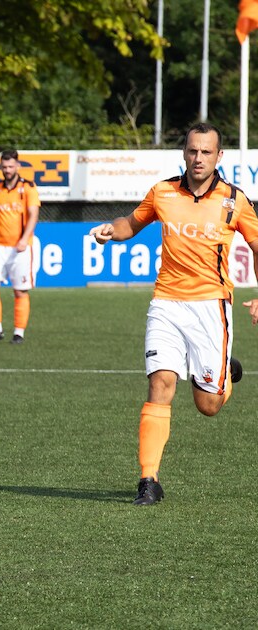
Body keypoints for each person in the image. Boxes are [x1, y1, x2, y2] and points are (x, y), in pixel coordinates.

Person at [90, 122, 258, 506]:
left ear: (219, 157)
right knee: (161, 383)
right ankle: (148, 481)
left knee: (208, 405)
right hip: (165, 303)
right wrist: (109, 231)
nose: (198, 158)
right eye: (192, 150)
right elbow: (131, 223)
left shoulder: (235, 200)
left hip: (211, 307)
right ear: (184, 152)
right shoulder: (163, 191)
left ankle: (224, 370)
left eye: (206, 152)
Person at [0, 149, 40, 344]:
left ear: (17, 166)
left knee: (19, 291)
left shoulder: (28, 188)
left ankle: (18, 332)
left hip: (21, 247)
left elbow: (33, 214)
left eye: (10, 166)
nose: (7, 170)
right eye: (4, 167)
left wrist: (24, 238)